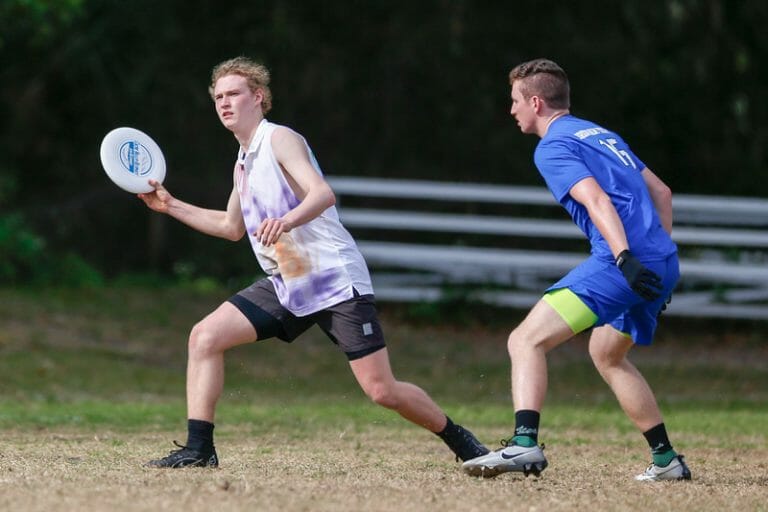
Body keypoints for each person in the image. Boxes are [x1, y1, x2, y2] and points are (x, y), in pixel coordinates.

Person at [137, 56, 488, 469]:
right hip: (288, 280)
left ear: (258, 97)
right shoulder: (243, 161)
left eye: (233, 94)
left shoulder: (280, 139)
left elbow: (322, 194)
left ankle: (462, 440)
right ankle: (199, 450)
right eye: (218, 97)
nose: (224, 103)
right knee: (204, 337)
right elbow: (232, 227)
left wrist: (285, 220)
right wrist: (170, 205)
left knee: (381, 389)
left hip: (333, 277)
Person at [462, 58, 691, 482]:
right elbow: (663, 191)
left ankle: (524, 445)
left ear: (535, 101)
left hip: (621, 263)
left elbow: (597, 202)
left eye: (514, 101)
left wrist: (625, 259)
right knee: (607, 354)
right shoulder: (600, 133)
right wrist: (659, 256)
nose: (511, 110)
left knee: (525, 340)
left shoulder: (552, 146)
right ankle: (666, 461)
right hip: (662, 261)